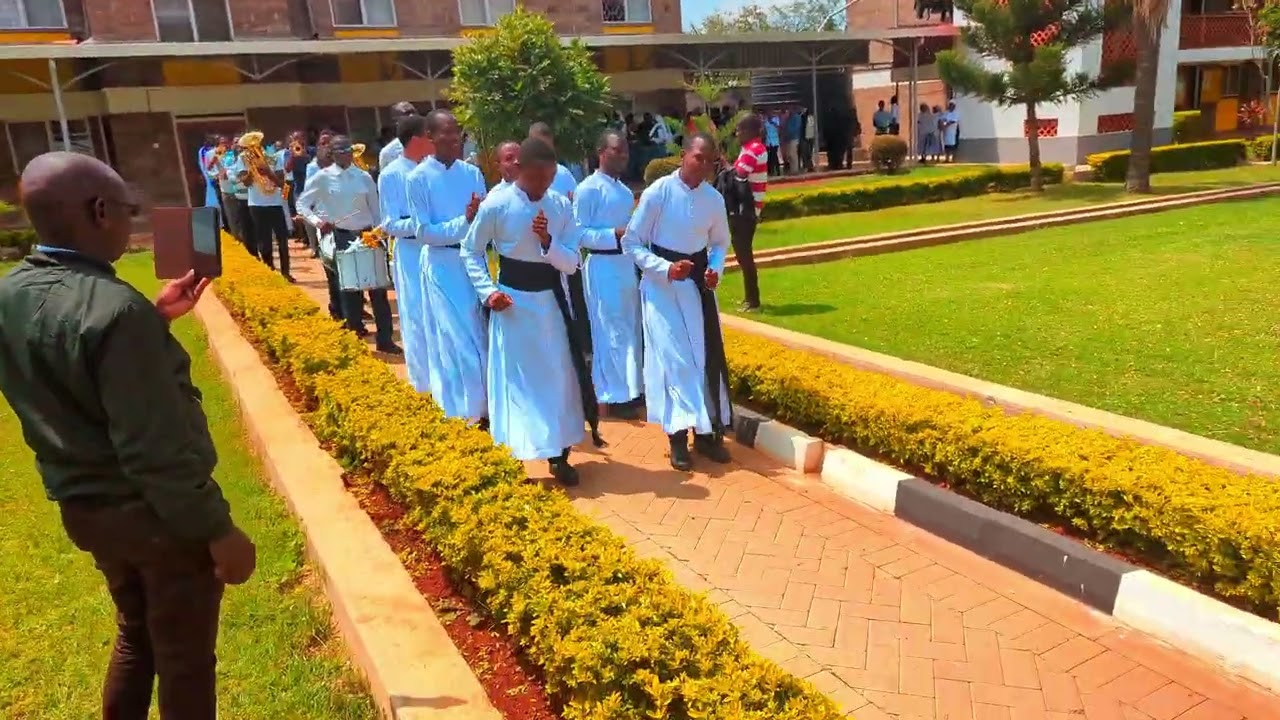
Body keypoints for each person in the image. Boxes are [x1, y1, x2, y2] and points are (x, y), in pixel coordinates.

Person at [0, 152, 257, 720]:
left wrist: (155, 319)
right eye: (126, 209)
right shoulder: (116, 310)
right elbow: (155, 449)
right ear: (99, 212)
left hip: (83, 508)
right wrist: (218, 530)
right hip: (155, 519)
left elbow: (70, 368)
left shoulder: (11, 293)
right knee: (185, 662)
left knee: (136, 636)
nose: (129, 219)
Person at [461, 138, 603, 487]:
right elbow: (470, 251)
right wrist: (489, 292)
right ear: (519, 170)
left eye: (549, 177)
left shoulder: (559, 206)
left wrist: (547, 243)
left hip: (550, 303)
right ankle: (518, 453)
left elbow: (571, 262)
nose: (543, 185)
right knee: (517, 383)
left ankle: (559, 454)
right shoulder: (497, 204)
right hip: (512, 304)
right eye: (537, 177)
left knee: (558, 377)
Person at [623, 133, 733, 472]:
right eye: (697, 157)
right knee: (673, 361)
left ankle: (705, 433)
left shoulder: (714, 199)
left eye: (709, 160)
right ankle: (677, 438)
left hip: (697, 288)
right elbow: (632, 242)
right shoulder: (658, 193)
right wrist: (666, 269)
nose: (702, 165)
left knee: (701, 359)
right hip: (661, 288)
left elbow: (718, 244)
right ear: (684, 155)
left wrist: (714, 270)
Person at [406, 110, 489, 423]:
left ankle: (486, 406)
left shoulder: (472, 174)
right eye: (445, 132)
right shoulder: (418, 179)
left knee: (478, 334)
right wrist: (464, 221)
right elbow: (423, 232)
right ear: (430, 137)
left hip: (473, 260)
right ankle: (463, 411)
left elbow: (482, 222)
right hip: (442, 264)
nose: (454, 138)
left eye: (457, 132)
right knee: (455, 339)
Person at [297, 136, 400, 354]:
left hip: (368, 236)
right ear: (332, 154)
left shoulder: (364, 177)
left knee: (378, 290)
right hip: (342, 237)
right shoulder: (322, 178)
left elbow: (376, 209)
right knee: (349, 292)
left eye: (347, 150)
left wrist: (380, 232)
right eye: (339, 151)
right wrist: (317, 222)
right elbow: (302, 204)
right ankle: (356, 340)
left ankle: (385, 339)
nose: (345, 154)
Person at [573, 129, 643, 420]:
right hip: (602, 266)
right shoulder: (588, 189)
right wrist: (613, 234)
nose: (623, 155)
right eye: (617, 149)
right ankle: (610, 395)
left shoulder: (626, 192)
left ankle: (631, 390)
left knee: (630, 328)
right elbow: (577, 233)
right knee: (609, 330)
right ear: (601, 151)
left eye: (625, 150)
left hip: (626, 265)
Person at [379, 114, 433, 388]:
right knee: (415, 317)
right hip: (411, 252)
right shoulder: (392, 174)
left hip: (436, 251)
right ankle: (423, 384)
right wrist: (425, 224)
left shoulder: (430, 169)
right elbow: (389, 222)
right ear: (416, 140)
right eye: (429, 134)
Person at [527, 121, 589, 352]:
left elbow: (574, 210)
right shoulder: (522, 175)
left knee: (572, 306)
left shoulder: (563, 175)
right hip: (533, 255)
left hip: (561, 250)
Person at [233, 134, 293, 282]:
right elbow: (245, 183)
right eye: (250, 146)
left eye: (256, 145)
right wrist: (253, 171)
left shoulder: (273, 158)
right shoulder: (243, 159)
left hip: (276, 203)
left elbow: (282, 184)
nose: (253, 148)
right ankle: (270, 270)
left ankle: (286, 272)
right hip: (256, 205)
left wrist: (268, 172)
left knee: (282, 239)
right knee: (264, 241)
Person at [729, 114, 767, 313]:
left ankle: (753, 300)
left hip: (746, 210)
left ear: (752, 131)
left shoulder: (753, 150)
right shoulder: (750, 149)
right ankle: (749, 297)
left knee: (744, 254)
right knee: (742, 254)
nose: (737, 133)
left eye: (741, 130)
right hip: (746, 210)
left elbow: (738, 175)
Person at [378, 101, 419, 170]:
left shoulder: (431, 144)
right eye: (406, 114)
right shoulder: (388, 153)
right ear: (396, 121)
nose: (411, 117)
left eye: (414, 113)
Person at [784, 107, 802, 175]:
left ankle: (795, 170)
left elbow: (796, 128)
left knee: (793, 154)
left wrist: (788, 132)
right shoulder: (789, 118)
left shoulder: (796, 117)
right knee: (789, 155)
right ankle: (792, 169)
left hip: (794, 138)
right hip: (789, 138)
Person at [764, 110, 781, 176]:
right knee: (769, 157)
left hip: (774, 141)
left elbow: (779, 128)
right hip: (768, 141)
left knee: (774, 156)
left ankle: (777, 171)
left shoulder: (776, 119)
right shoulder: (765, 121)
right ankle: (770, 171)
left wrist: (773, 123)